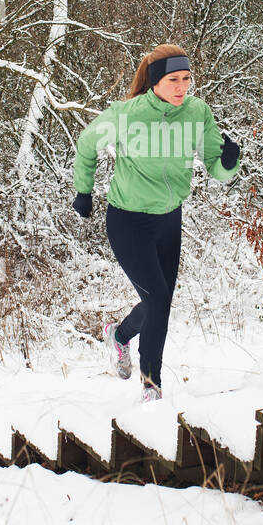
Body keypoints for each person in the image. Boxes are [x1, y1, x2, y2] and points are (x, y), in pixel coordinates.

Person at [71, 44, 241, 402]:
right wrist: (83, 191)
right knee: (159, 300)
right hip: (128, 221)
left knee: (158, 303)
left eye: (187, 79)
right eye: (173, 80)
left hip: (169, 221)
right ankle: (152, 386)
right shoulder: (127, 115)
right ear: (154, 81)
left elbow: (216, 167)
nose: (182, 87)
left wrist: (228, 162)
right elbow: (87, 144)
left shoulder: (197, 113)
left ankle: (119, 335)